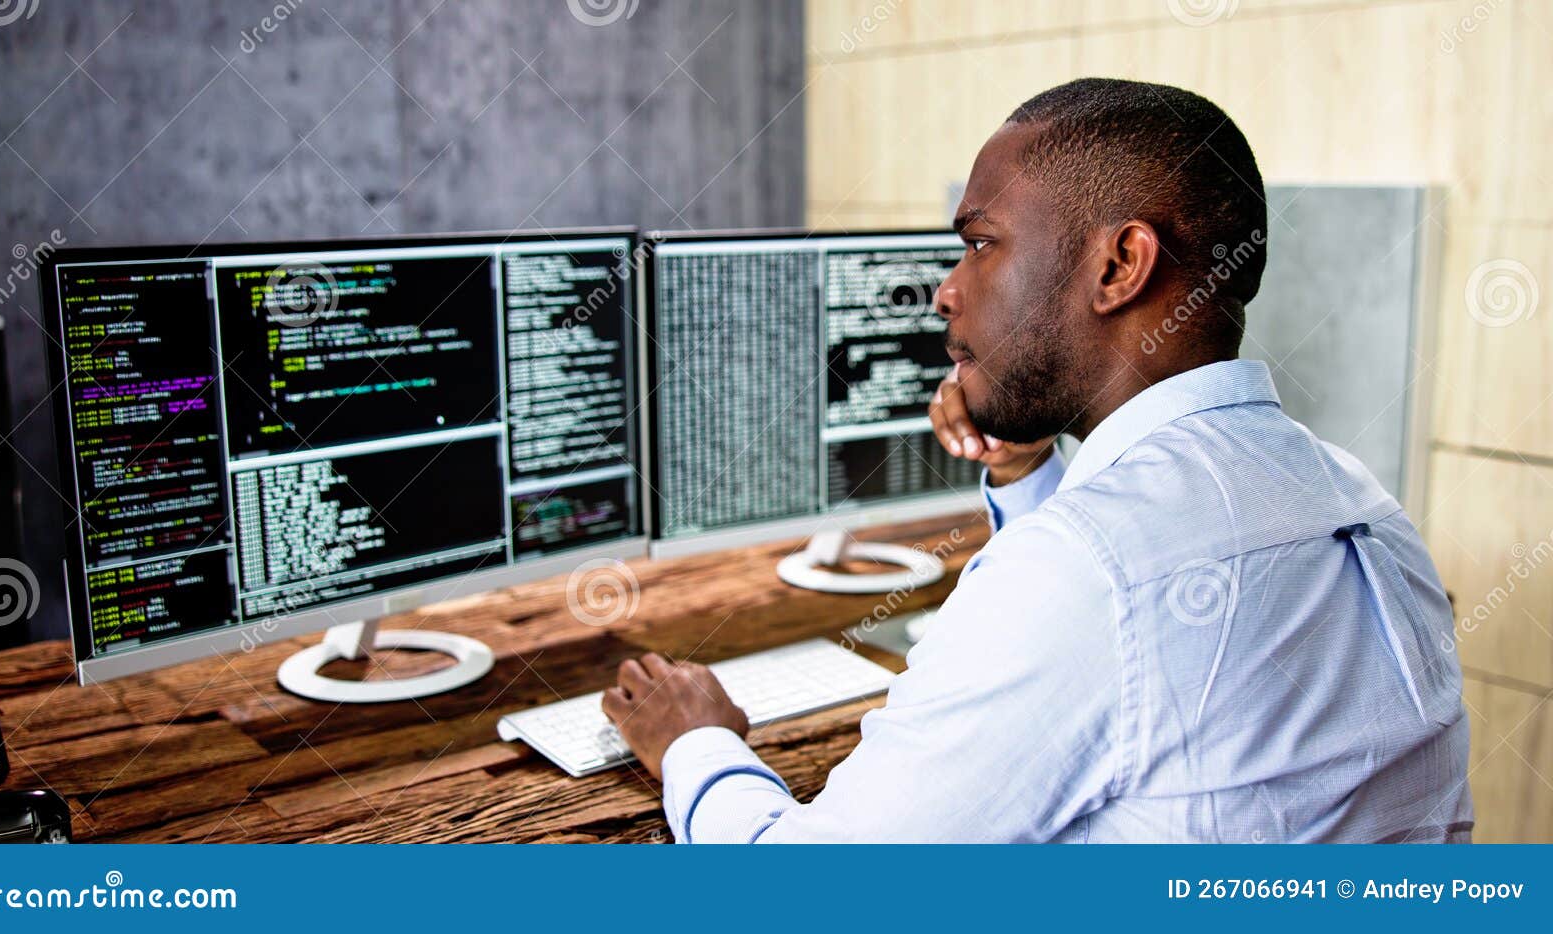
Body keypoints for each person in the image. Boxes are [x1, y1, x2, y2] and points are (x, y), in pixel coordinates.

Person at [601, 78, 1472, 843]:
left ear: (1120, 265)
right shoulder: (1363, 507)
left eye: (980, 243)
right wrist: (1026, 476)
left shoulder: (1083, 574)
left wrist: (695, 743)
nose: (946, 288)